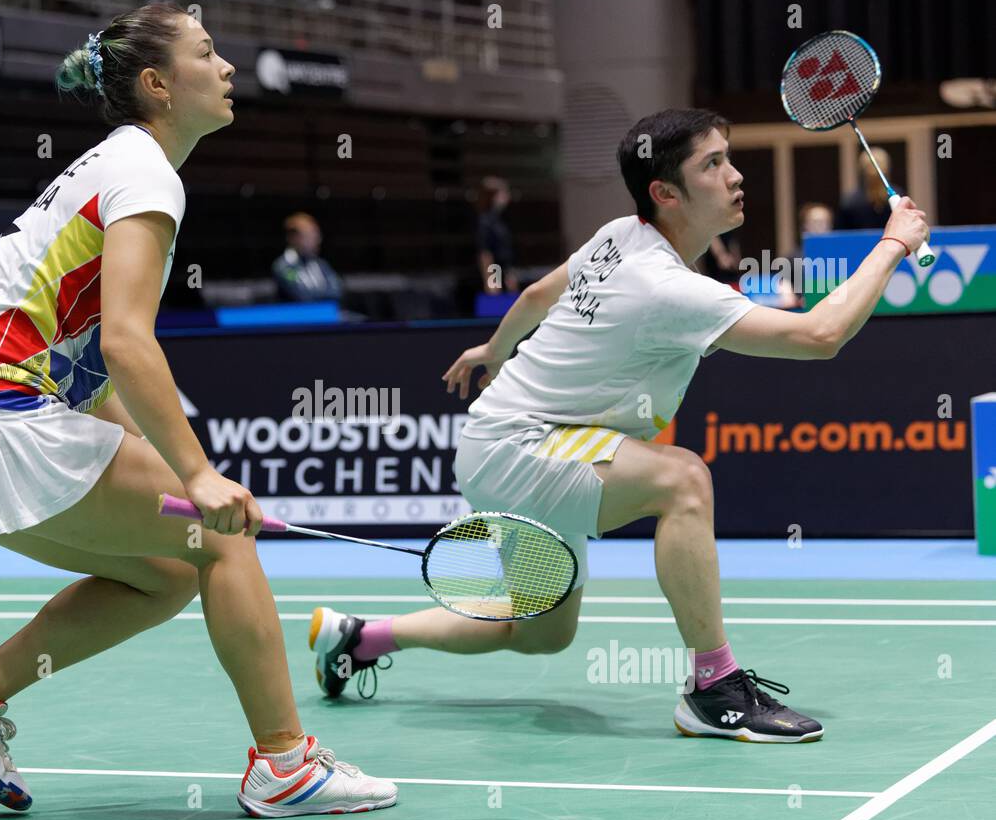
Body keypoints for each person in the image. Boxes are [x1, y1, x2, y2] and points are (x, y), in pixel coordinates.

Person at [0, 3, 396, 818]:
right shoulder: (144, 172)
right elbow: (129, 342)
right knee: (220, 543)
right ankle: (286, 767)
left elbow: (93, 363)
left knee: (166, 573)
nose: (228, 67)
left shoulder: (116, 166)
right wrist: (197, 476)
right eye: (209, 53)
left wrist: (170, 469)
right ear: (159, 84)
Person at [309, 108, 930, 744]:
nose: (736, 175)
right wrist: (893, 244)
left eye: (728, 157)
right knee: (683, 479)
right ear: (665, 193)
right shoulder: (665, 286)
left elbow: (535, 297)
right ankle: (714, 688)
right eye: (712, 164)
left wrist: (493, 351)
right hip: (522, 447)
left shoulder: (620, 235)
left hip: (509, 447)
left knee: (541, 635)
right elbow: (819, 335)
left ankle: (360, 637)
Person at [775, 202, 835, 309]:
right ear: (805, 225)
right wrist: (793, 300)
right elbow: (785, 292)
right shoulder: (791, 258)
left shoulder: (839, 256)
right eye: (816, 222)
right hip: (804, 314)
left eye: (826, 222)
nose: (821, 226)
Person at [271, 212, 343, 302]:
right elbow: (300, 295)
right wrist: (323, 293)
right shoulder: (284, 267)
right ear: (294, 238)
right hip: (298, 314)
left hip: (325, 312)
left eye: (317, 235)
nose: (317, 240)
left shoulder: (321, 264)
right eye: (310, 236)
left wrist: (315, 294)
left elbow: (337, 291)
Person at [835, 146, 899, 230]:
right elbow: (841, 232)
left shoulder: (898, 197)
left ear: (887, 167)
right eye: (868, 165)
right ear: (862, 169)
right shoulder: (851, 201)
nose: (873, 169)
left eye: (879, 163)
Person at [475, 176, 519, 295]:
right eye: (503, 193)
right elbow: (485, 254)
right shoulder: (485, 221)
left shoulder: (501, 220)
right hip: (495, 272)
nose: (506, 196)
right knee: (495, 310)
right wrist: (492, 281)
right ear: (492, 196)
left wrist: (510, 274)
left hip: (506, 271)